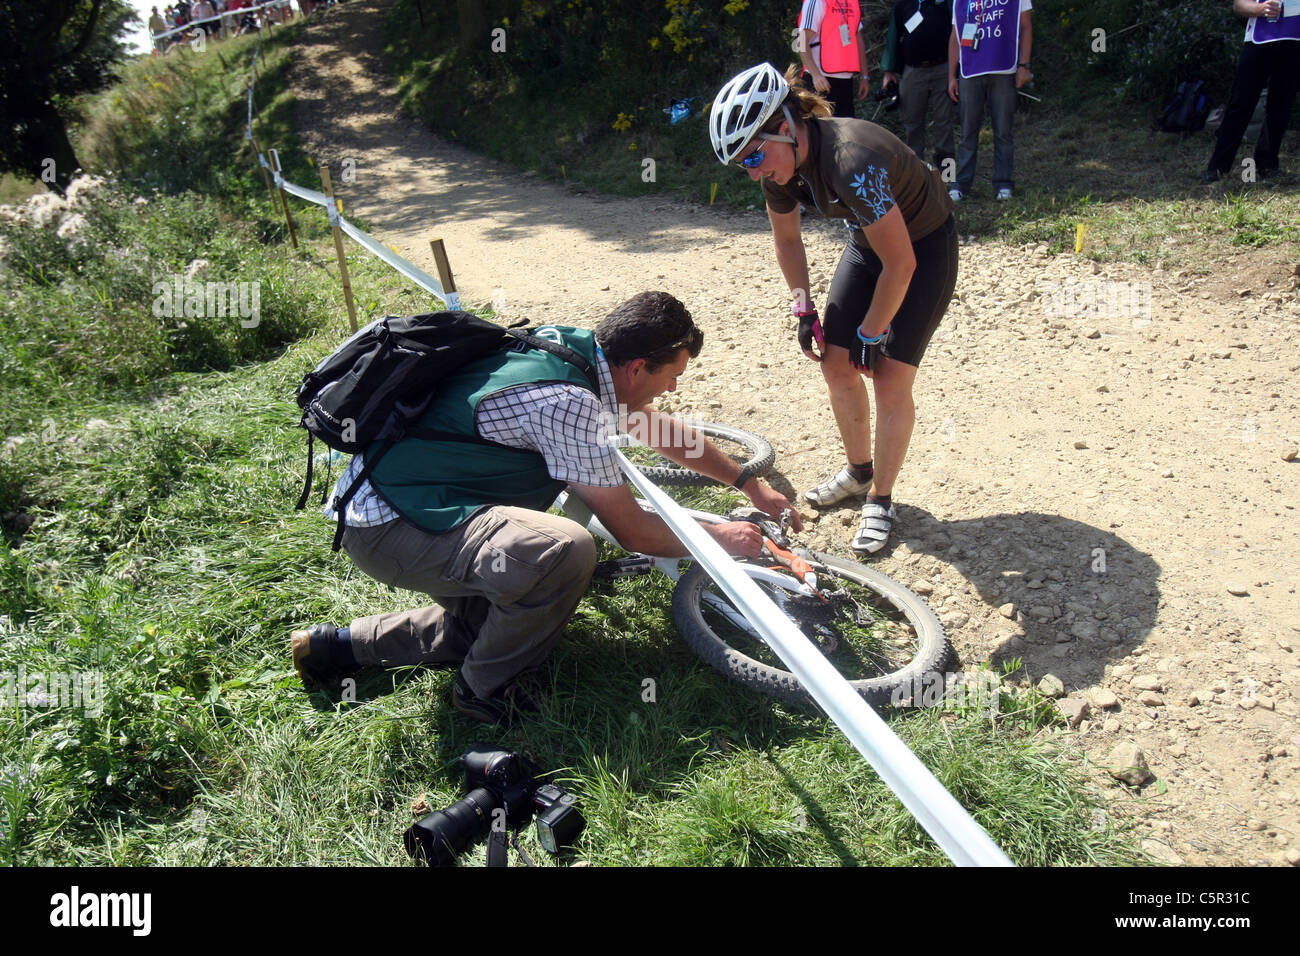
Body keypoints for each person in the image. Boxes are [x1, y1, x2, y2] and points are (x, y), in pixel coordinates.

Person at [291, 292, 801, 725]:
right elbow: (634, 533)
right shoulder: (567, 402)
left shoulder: (571, 349)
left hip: (396, 505)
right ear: (638, 366)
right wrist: (722, 539)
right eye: (672, 375)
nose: (673, 389)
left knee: (491, 624)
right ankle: (483, 694)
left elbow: (652, 426)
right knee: (564, 550)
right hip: (396, 527)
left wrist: (745, 481)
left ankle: (337, 646)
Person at [709, 63, 956, 554]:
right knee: (835, 365)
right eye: (743, 164)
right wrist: (804, 311)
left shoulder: (850, 159)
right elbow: (787, 241)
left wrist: (872, 331)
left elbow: (902, 264)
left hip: (923, 251)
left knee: (888, 377)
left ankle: (881, 500)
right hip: (869, 245)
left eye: (754, 155)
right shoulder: (778, 164)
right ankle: (859, 473)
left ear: (785, 126)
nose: (754, 170)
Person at [1201, 0, 1300, 183]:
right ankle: (1218, 167)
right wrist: (1259, 9)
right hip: (1259, 42)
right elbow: (1239, 5)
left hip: (1294, 43)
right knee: (1241, 104)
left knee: (1281, 106)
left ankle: (1267, 165)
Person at [946, 0, 1033, 201]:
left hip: (1004, 69)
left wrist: (1024, 65)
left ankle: (1003, 183)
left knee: (1003, 130)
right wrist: (952, 75)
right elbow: (955, 35)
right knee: (968, 132)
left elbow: (1026, 25)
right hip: (970, 71)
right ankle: (961, 184)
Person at [882, 0, 957, 171]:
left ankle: (947, 176)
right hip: (913, 71)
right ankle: (917, 175)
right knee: (912, 125)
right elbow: (893, 37)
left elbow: (957, 31)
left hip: (943, 69)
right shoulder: (903, 6)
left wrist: (956, 71)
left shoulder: (946, 3)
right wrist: (889, 71)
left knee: (944, 124)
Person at [796, 0, 870, 118]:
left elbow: (858, 40)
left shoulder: (851, 3)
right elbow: (801, 42)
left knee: (846, 134)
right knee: (819, 132)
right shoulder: (815, 2)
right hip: (821, 82)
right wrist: (816, 75)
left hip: (845, 81)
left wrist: (865, 76)